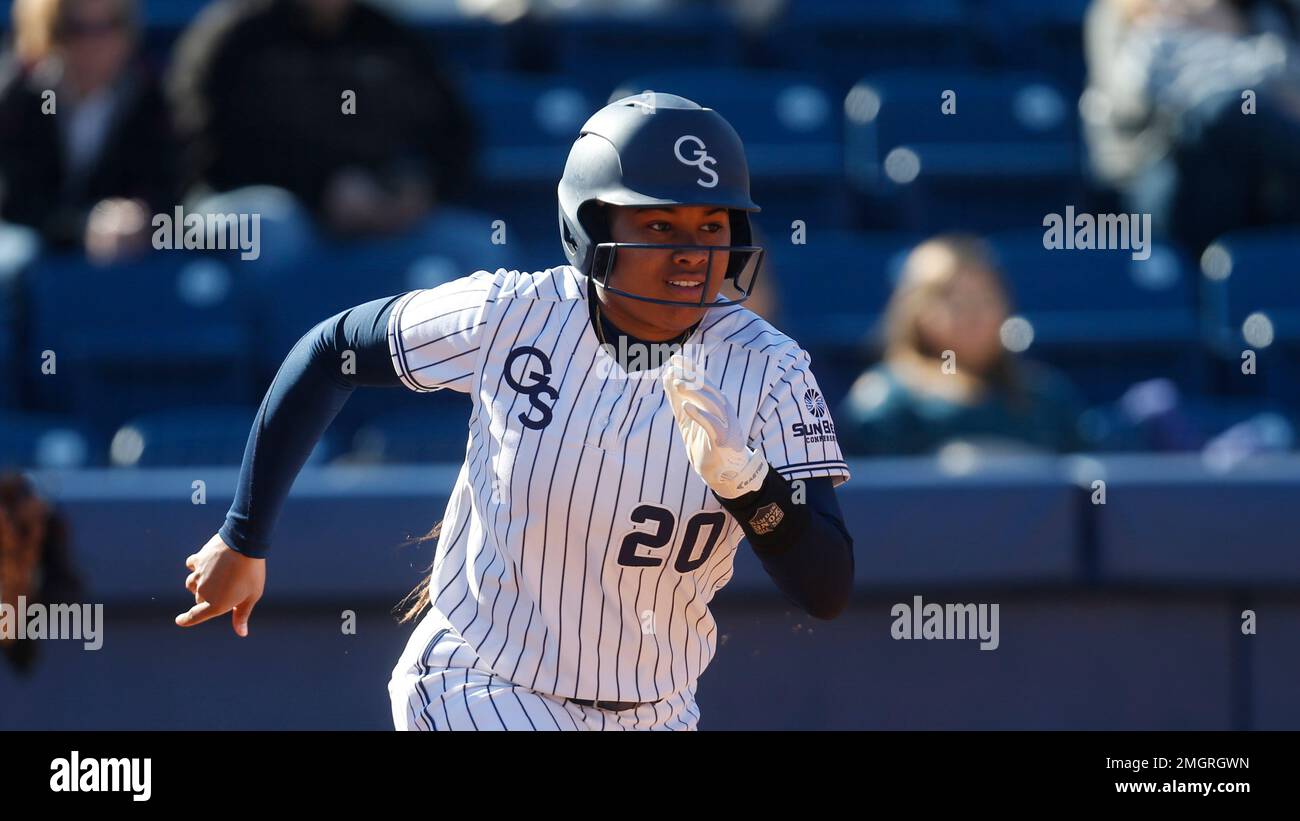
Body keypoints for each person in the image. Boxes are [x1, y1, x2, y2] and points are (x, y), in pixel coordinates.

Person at [175, 92, 854, 731]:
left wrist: (751, 488)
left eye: (710, 225)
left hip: (659, 705)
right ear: (590, 227)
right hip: (482, 682)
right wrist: (244, 535)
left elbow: (826, 588)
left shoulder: (770, 367)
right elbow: (332, 351)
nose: (689, 252)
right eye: (657, 222)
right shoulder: (511, 314)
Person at [838, 234, 1086, 457]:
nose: (972, 314)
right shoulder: (885, 405)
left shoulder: (1048, 400)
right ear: (914, 312)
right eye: (952, 300)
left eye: (984, 298)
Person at [0, 0, 177, 262]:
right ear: (51, 31)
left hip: (119, 242)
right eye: (77, 29)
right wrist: (82, 226)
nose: (95, 43)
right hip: (30, 236)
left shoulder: (148, 96)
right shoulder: (25, 96)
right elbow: (16, 200)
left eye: (110, 26)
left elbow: (165, 183)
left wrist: (137, 215)